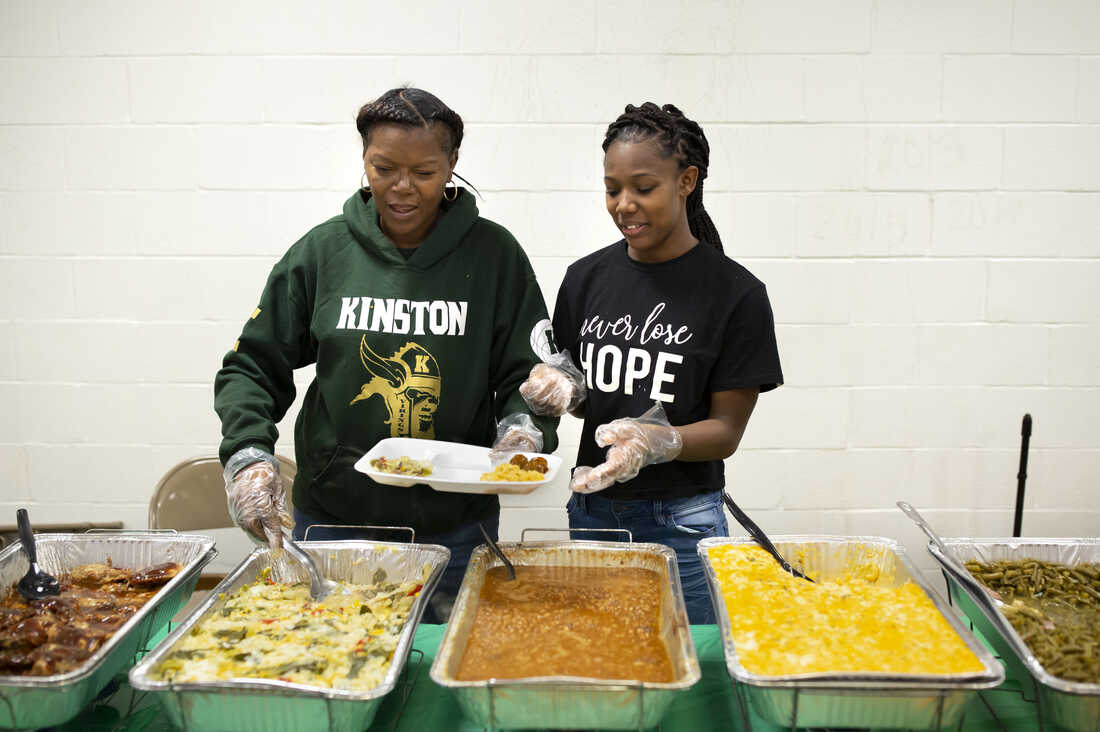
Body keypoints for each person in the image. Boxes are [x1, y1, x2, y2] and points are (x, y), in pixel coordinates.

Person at [214, 87, 558, 623]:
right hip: (333, 517)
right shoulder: (323, 252)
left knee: (442, 664)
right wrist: (247, 456)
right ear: (363, 160)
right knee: (329, 653)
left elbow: (527, 371)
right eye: (383, 168)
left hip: (457, 525)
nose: (401, 188)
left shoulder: (495, 256)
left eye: (423, 172)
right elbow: (253, 365)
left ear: (452, 165)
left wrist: (523, 429)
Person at [520, 102, 783, 624]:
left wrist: (660, 441)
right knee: (603, 650)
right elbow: (584, 398)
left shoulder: (736, 294)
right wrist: (562, 392)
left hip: (683, 521)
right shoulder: (585, 278)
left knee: (694, 658)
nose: (624, 205)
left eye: (643, 188)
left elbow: (727, 431)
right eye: (612, 188)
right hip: (593, 508)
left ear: (687, 181)